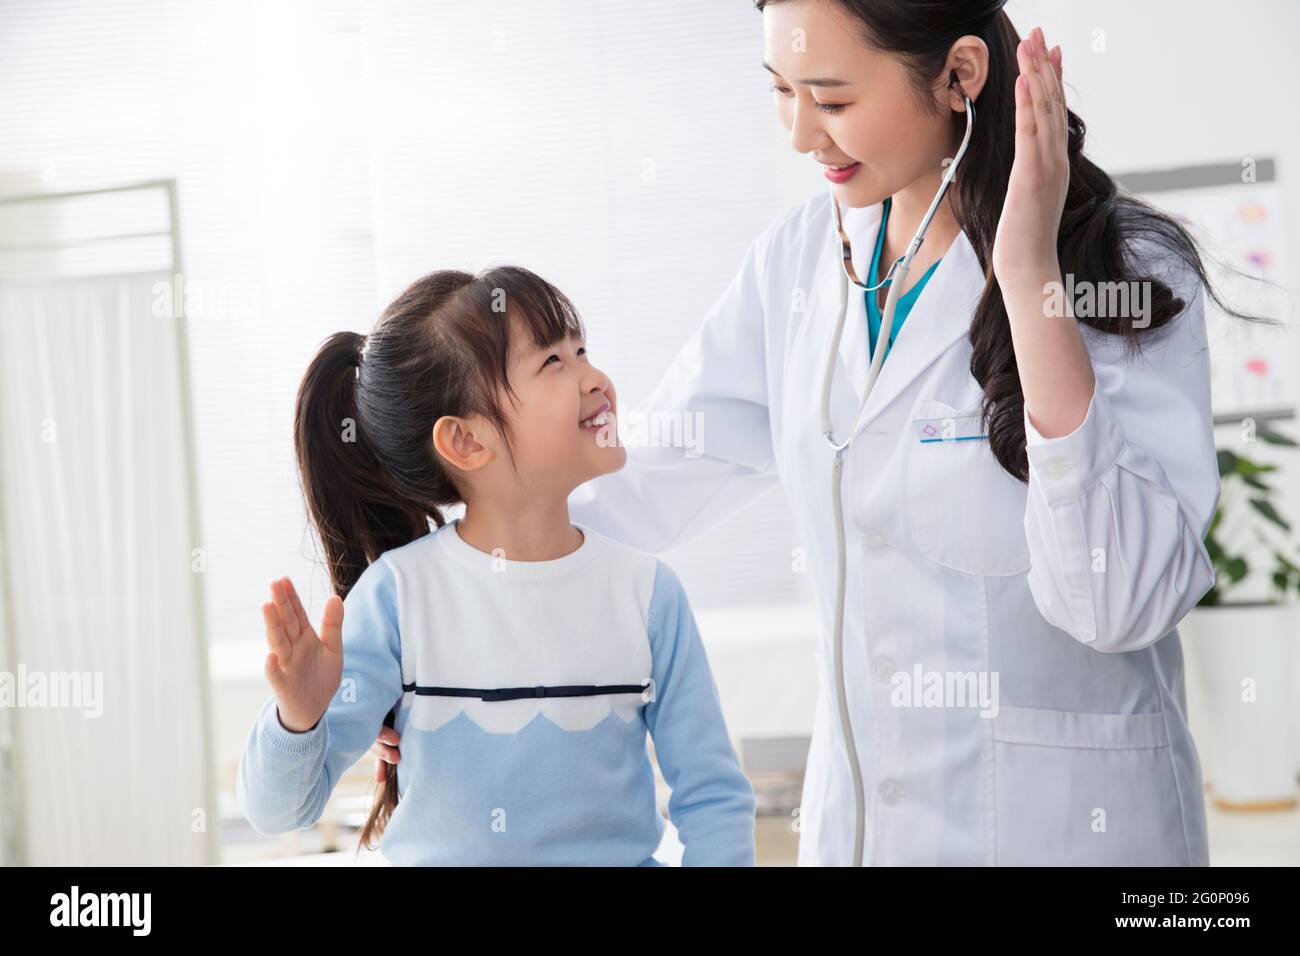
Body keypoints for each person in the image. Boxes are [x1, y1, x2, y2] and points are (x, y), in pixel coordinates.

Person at [374, 1, 1258, 865]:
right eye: (781, 91)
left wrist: (1029, 282)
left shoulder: (1121, 272)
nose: (801, 135)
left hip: (1069, 833)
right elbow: (619, 494)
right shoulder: (796, 266)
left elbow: (1120, 605)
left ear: (959, 75)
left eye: (831, 100)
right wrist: (428, 639)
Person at [236, 266, 756, 865]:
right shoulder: (399, 598)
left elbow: (713, 797)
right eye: (553, 363)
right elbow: (277, 811)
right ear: (464, 441)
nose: (596, 379)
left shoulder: (647, 594)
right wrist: (296, 718)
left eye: (581, 350)